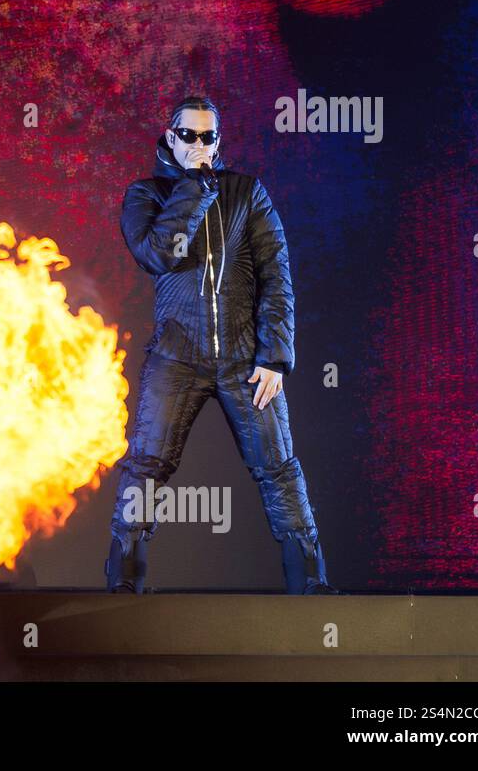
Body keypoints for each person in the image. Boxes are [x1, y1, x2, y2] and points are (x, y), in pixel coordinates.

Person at [107, 95, 338, 595]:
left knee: (278, 467)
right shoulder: (146, 195)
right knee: (146, 466)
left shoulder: (248, 193)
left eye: (207, 137)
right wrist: (193, 186)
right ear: (170, 139)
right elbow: (159, 254)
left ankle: (311, 584)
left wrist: (275, 356)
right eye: (187, 135)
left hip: (242, 359)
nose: (198, 144)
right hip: (176, 358)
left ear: (218, 141)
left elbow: (277, 276)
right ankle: (125, 580)